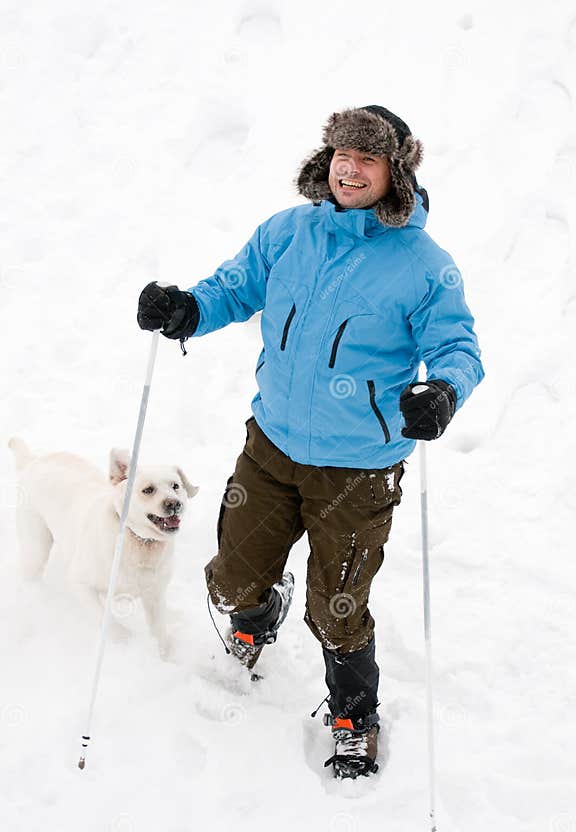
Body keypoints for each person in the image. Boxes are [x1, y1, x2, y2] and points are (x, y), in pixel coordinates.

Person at [137, 105, 484, 780]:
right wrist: (188, 310)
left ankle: (354, 714)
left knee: (339, 606)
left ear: (397, 173)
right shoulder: (289, 231)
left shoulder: (424, 265)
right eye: (340, 154)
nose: (349, 169)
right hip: (271, 444)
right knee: (232, 576)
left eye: (368, 159)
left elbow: (457, 346)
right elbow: (234, 288)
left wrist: (442, 389)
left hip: (358, 467)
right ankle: (258, 612)